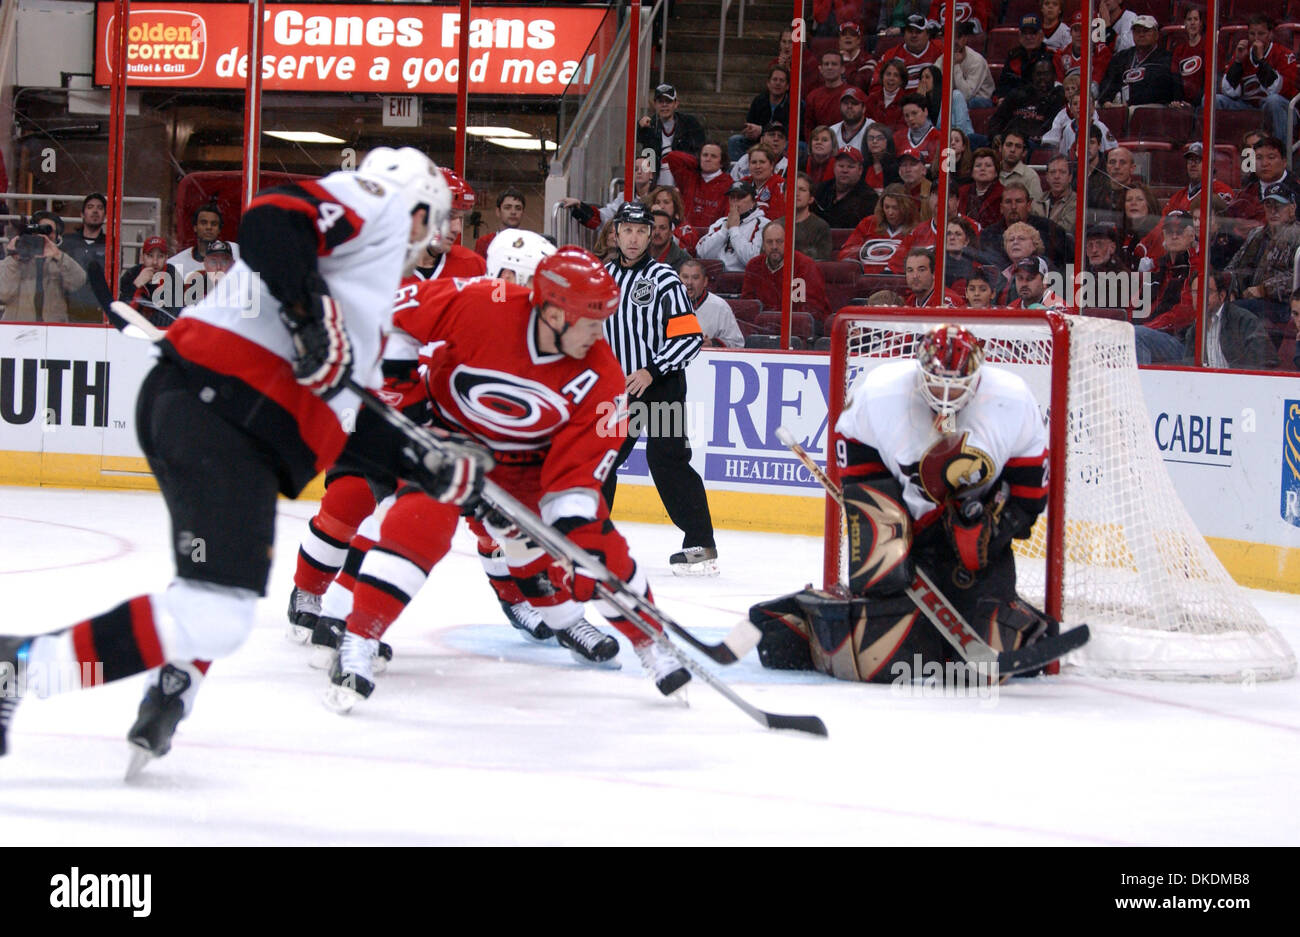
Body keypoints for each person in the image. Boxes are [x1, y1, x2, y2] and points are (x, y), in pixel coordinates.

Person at [0, 147, 460, 763]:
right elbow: (273, 217)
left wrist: (421, 458)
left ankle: (175, 676)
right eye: (436, 222)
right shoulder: (381, 203)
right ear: (421, 205)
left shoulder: (367, 290)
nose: (433, 239)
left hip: (219, 420)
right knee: (220, 610)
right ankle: (22, 666)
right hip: (216, 414)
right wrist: (307, 316)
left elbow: (352, 418)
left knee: (215, 601)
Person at [322, 247, 692, 705]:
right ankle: (358, 638)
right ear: (554, 312)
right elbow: (394, 315)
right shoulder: (483, 302)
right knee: (420, 522)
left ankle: (651, 643)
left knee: (594, 543)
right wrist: (406, 398)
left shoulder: (603, 380)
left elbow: (574, 483)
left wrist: (576, 540)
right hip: (451, 441)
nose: (600, 333)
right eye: (591, 319)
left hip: (528, 468)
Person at [287, 229, 588, 659]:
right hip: (389, 408)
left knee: (498, 515)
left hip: (447, 422)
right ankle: (317, 598)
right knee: (356, 501)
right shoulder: (409, 275)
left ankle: (517, 599)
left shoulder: (485, 284)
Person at [749, 324, 1055, 685]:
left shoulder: (1012, 400)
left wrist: (993, 531)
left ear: (978, 377)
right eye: (936, 382)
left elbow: (1029, 495)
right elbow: (852, 445)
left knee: (979, 668)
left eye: (956, 385)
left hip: (973, 532)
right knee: (885, 654)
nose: (944, 395)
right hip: (908, 523)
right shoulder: (882, 392)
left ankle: (1021, 621)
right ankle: (806, 620)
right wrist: (879, 517)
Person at [599, 202, 718, 576]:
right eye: (627, 230)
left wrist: (652, 369)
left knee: (667, 461)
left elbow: (689, 339)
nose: (633, 238)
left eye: (641, 231)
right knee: (602, 463)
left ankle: (700, 541)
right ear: (615, 232)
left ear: (651, 235)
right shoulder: (601, 276)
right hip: (618, 391)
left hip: (661, 385)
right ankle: (590, 539)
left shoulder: (665, 278)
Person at [1216, 14, 1299, 144]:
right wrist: (1238, 62)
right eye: (1252, 34)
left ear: (1270, 34)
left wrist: (1261, 61)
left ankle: (1280, 152)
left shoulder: (1284, 54)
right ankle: (1220, 151)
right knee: (1214, 100)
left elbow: (1281, 91)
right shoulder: (1243, 52)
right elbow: (1228, 90)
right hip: (1248, 106)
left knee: (1273, 101)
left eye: (1261, 34)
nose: (1256, 38)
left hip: (1282, 109)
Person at [1225, 183, 1300, 327]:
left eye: (1279, 206)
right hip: (1247, 301)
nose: (1273, 211)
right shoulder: (1256, 234)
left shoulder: (1297, 235)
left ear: (1292, 208)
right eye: (1269, 205)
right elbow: (1233, 266)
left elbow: (1297, 279)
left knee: (1231, 313)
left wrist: (1263, 289)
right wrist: (1231, 290)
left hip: (1281, 306)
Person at [0, 210, 88, 323]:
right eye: (39, 230)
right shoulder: (14, 261)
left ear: (57, 237)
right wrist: (14, 258)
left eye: (48, 231)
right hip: (19, 330)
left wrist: (58, 255)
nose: (43, 235)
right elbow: (3, 294)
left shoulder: (62, 261)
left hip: (52, 330)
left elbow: (79, 281)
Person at [1181, 272, 1278, 370]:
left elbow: (1266, 361)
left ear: (1222, 295)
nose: (1200, 298)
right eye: (1195, 293)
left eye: (1207, 292)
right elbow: (1189, 367)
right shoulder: (1194, 329)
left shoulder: (1243, 320)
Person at [741, 220, 832, 322]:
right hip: (764, 329)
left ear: (788, 242)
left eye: (779, 241)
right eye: (769, 242)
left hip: (797, 330)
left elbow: (813, 311)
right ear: (763, 244)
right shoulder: (754, 266)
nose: (774, 246)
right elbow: (747, 306)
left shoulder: (805, 266)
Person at [1096, 16, 1181, 107]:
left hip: (1155, 109)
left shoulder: (1166, 58)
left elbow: (1173, 89)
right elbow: (1108, 84)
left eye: (1146, 31)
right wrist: (1106, 101)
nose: (1141, 34)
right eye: (1137, 31)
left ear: (1156, 35)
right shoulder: (1121, 57)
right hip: (1123, 108)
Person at [840, 182, 918, 271]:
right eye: (887, 207)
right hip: (864, 279)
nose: (890, 212)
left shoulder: (916, 229)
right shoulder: (868, 223)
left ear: (906, 208)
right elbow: (847, 252)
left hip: (897, 280)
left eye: (895, 208)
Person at [696, 180, 768, 273]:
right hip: (716, 277)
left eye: (741, 197)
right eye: (732, 197)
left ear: (753, 201)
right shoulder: (721, 223)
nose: (735, 201)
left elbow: (753, 260)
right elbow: (701, 254)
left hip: (743, 278)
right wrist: (725, 229)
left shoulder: (763, 225)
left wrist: (734, 230)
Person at [637, 83, 706, 181]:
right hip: (656, 185)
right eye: (660, 101)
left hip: (684, 182)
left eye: (668, 101)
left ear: (676, 103)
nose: (664, 105)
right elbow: (631, 143)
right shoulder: (648, 127)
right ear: (654, 104)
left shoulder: (690, 124)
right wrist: (638, 126)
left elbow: (698, 153)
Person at [988, 60, 1063, 147]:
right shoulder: (1018, 94)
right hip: (1008, 139)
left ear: (1054, 76)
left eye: (1046, 74)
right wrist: (995, 135)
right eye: (1038, 74)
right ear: (1033, 76)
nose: (1042, 77)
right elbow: (997, 119)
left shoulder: (1058, 99)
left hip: (1034, 144)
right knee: (974, 139)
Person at [664, 141, 734, 231]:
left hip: (711, 237)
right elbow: (672, 157)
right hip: (685, 235)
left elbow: (726, 218)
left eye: (713, 156)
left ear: (722, 162)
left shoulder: (728, 184)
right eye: (705, 155)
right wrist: (697, 163)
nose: (708, 159)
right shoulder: (689, 177)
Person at [62, 192, 110, 322]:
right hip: (69, 312)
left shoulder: (111, 244)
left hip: (98, 313)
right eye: (90, 207)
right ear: (82, 214)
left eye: (100, 208)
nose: (95, 211)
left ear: (105, 216)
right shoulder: (67, 242)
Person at [1225, 136, 1296, 223]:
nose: (1264, 163)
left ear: (1284, 162)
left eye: (1271, 157)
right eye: (1258, 158)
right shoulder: (1245, 195)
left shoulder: (1297, 191)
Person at [118, 235, 183, 327]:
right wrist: (136, 285)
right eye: (150, 256)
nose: (155, 262)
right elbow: (120, 314)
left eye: (160, 256)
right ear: (142, 257)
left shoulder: (174, 277)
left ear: (166, 258)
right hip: (132, 334)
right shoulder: (131, 275)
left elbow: (168, 317)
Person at [679, 258, 744, 348]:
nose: (689, 283)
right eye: (685, 277)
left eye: (695, 278)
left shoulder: (720, 306)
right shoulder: (665, 303)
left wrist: (713, 344)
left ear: (705, 281)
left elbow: (737, 344)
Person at [731, 66, 791, 162]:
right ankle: (740, 171)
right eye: (774, 79)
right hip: (759, 140)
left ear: (787, 86)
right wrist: (750, 131)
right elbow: (749, 123)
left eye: (781, 80)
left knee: (799, 146)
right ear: (768, 83)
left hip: (781, 141)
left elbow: (794, 132)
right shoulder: (759, 100)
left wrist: (762, 130)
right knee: (735, 140)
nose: (778, 83)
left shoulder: (794, 104)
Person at [168, 202, 240, 281]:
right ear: (195, 227)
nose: (209, 227)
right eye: (204, 223)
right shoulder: (177, 263)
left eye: (214, 224)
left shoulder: (236, 252)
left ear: (219, 229)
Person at [995, 14, 1053, 101]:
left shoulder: (1050, 56)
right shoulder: (1013, 56)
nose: (1028, 37)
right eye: (1025, 33)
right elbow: (1002, 85)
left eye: (1033, 33)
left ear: (1041, 36)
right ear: (1019, 36)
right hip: (1013, 103)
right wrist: (1000, 98)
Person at [803, 52, 850, 142]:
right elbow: (808, 128)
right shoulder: (813, 96)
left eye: (834, 64)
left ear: (843, 69)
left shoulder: (853, 94)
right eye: (826, 64)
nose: (830, 67)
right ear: (820, 69)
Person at [472, 188, 527, 257]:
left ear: (523, 213)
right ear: (498, 212)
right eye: (507, 207)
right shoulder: (484, 243)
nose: (513, 212)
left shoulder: (531, 243)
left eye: (518, 208)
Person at [952, 21, 995, 109]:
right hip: (957, 101)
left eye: (958, 37)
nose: (954, 41)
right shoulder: (942, 58)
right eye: (951, 37)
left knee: (963, 103)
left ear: (964, 38)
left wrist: (955, 65)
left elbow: (966, 95)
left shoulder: (977, 60)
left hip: (980, 101)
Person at [959, 147, 1004, 229]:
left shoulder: (1004, 194)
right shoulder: (962, 192)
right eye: (978, 165)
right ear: (972, 172)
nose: (982, 169)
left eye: (988, 165)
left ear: (996, 172)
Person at [792, 172, 833, 261]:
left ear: (811, 199)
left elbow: (822, 262)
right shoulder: (775, 226)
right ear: (784, 196)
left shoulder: (821, 227)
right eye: (792, 188)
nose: (796, 193)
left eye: (802, 190)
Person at [897, 14, 942, 90]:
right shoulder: (892, 55)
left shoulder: (940, 48)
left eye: (918, 32)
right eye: (910, 31)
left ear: (928, 34)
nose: (914, 35)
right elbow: (877, 85)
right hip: (904, 100)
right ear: (904, 34)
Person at [893, 93, 941, 164]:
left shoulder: (940, 138)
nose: (910, 118)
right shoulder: (897, 138)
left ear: (925, 111)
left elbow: (950, 168)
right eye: (906, 115)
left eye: (914, 113)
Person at [996, 131, 1042, 204]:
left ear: (1024, 152)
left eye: (1018, 146)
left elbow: (1037, 212)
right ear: (1000, 148)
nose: (1012, 150)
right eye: (1009, 145)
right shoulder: (991, 171)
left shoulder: (1031, 177)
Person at [1033, 155, 1074, 232]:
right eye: (1052, 172)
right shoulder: (1037, 201)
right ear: (1047, 177)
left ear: (1070, 178)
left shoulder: (1077, 203)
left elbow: (1062, 231)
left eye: (1062, 172)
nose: (1056, 176)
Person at [864, 58, 907, 129]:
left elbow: (902, 130)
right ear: (882, 77)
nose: (891, 78)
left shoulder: (906, 102)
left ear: (901, 80)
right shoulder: (872, 99)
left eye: (896, 75)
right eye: (888, 74)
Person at [861, 124, 901, 193]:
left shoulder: (896, 167)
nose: (874, 141)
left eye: (879, 138)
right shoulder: (862, 166)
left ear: (887, 141)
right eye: (870, 138)